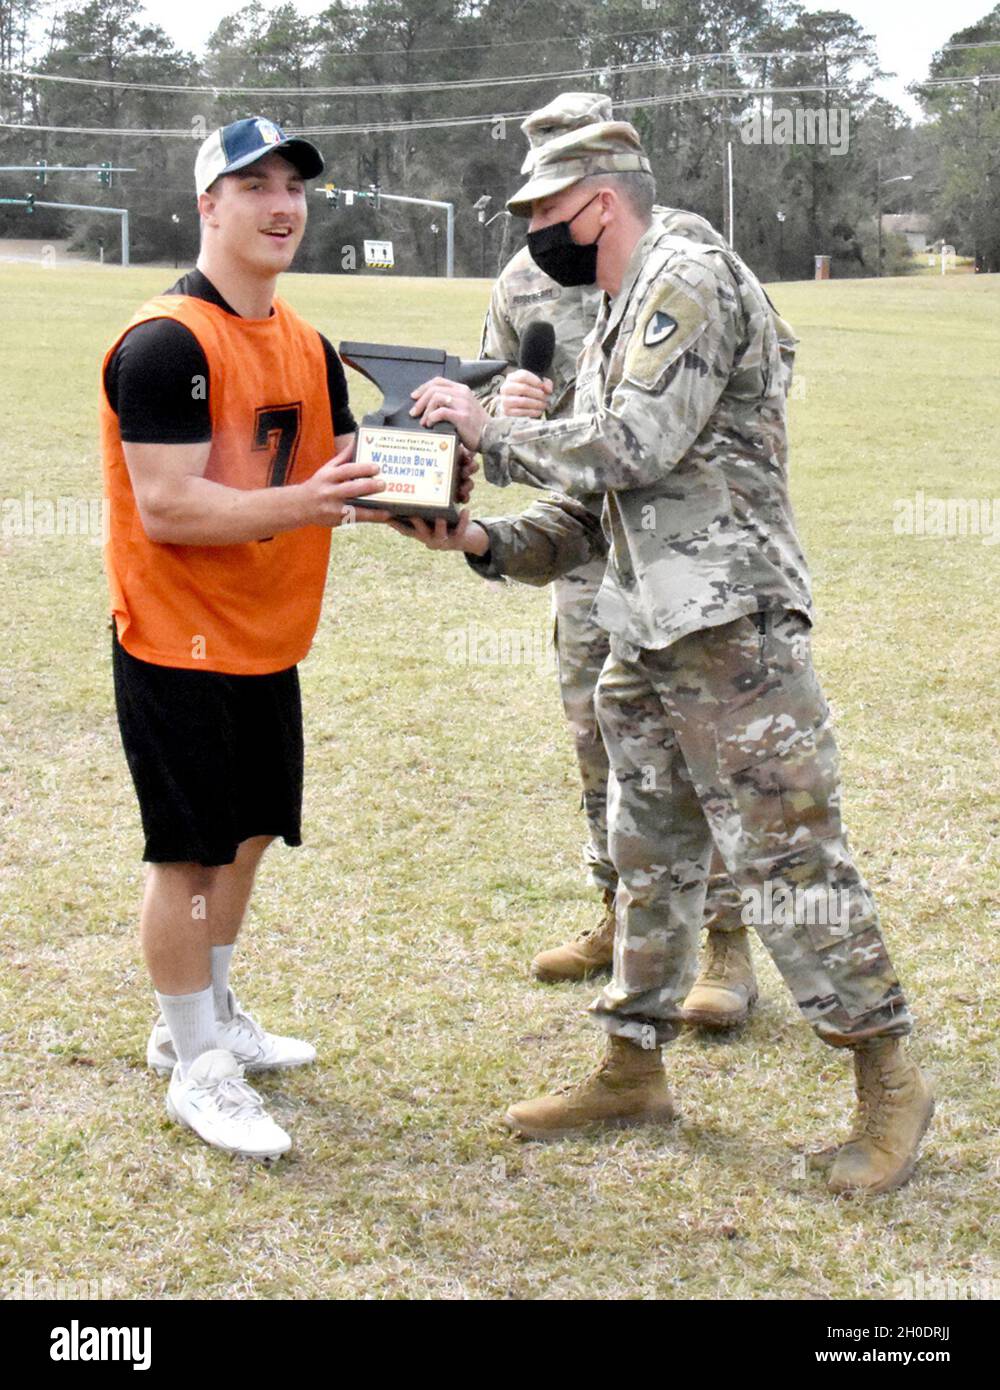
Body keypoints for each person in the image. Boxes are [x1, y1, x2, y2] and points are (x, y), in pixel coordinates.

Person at [402, 109, 934, 1193]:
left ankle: (888, 1084)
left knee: (792, 863)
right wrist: (478, 538)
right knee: (647, 858)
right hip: (644, 630)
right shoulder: (616, 305)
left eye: (544, 212)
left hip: (731, 631)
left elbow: (631, 444)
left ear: (597, 202)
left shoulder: (684, 277)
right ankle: (631, 1067)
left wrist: (486, 425)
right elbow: (602, 504)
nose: (535, 235)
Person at [99, 117, 395, 1160]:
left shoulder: (307, 342)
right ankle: (196, 1065)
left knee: (253, 829)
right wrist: (310, 505)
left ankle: (208, 1014)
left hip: (270, 637)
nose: (281, 205)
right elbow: (170, 507)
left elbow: (359, 467)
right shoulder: (167, 342)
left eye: (295, 189)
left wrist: (457, 442)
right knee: (187, 852)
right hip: (178, 639)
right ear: (207, 207)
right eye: (253, 184)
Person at [477, 92, 760, 1029]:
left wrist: (521, 437)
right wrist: (509, 402)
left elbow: (668, 426)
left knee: (698, 752)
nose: (538, 213)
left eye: (560, 176)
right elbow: (497, 399)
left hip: (679, 550)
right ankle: (619, 916)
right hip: (582, 536)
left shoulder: (680, 259)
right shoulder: (524, 278)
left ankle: (725, 945)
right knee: (602, 740)